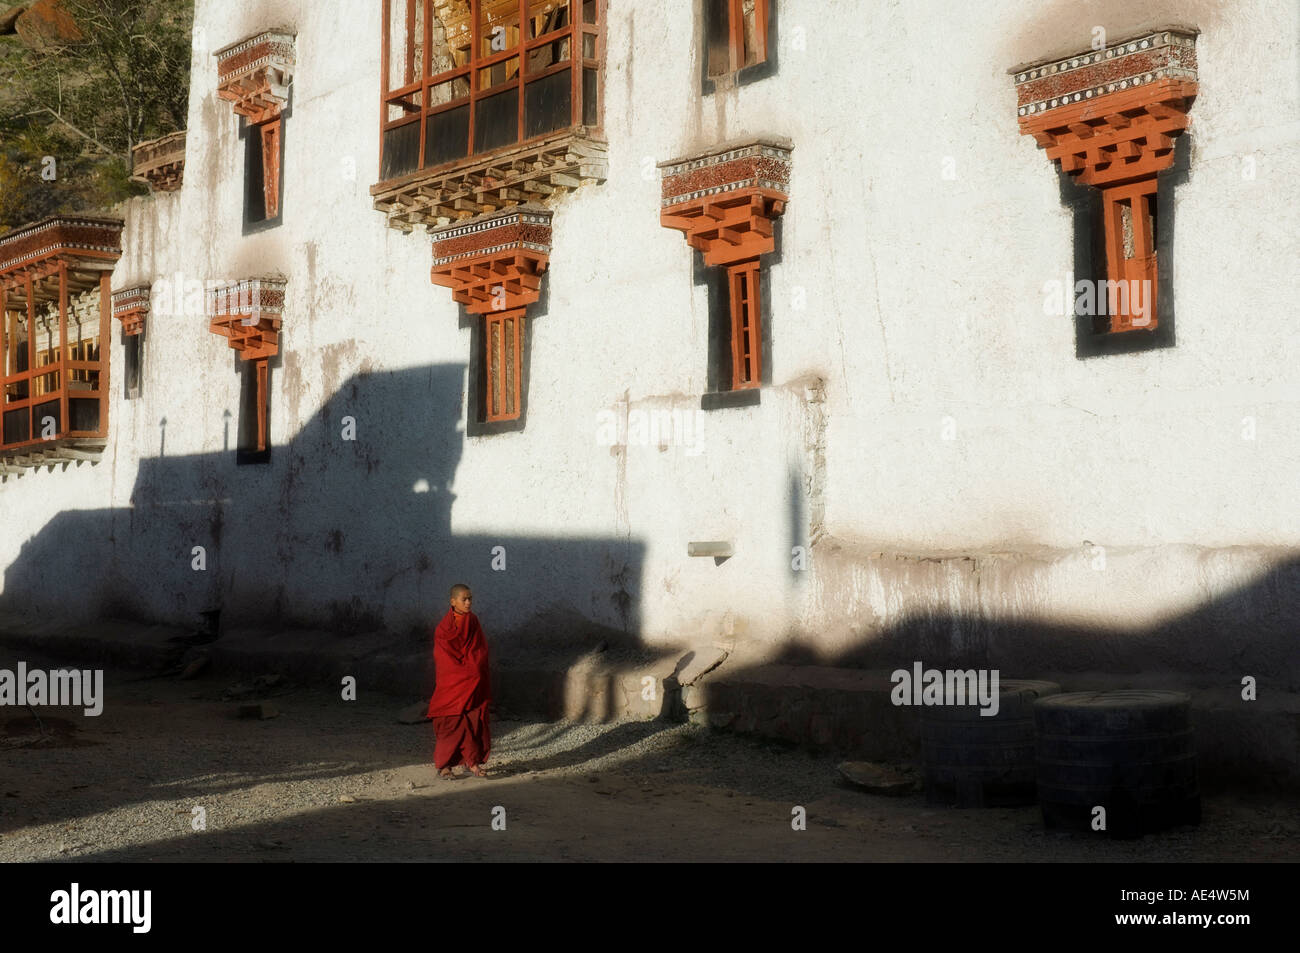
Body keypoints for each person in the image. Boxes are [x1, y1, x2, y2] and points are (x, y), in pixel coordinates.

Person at [427, 583, 491, 779]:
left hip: (470, 682)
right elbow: (443, 659)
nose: (468, 602)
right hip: (452, 684)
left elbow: (479, 650)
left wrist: (472, 672)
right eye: (464, 599)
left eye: (470, 598)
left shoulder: (473, 622)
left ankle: (471, 763)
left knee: (471, 721)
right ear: (452, 601)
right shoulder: (443, 629)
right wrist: (461, 674)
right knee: (449, 722)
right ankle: (444, 766)